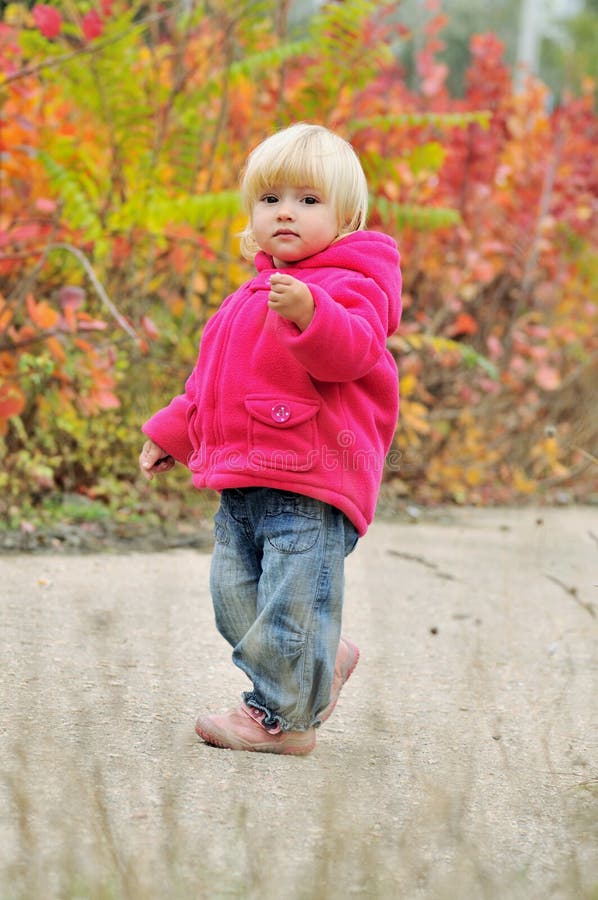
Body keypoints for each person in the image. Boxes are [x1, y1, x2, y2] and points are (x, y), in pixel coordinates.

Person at [139, 123, 402, 755]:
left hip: (311, 478)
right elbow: (211, 383)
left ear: (346, 217)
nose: (287, 211)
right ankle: (317, 652)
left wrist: (312, 314)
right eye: (271, 199)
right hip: (242, 480)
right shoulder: (244, 299)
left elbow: (356, 353)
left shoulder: (351, 286)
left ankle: (284, 721)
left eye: (309, 201)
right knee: (233, 600)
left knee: (286, 604)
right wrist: (174, 431)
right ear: (251, 215)